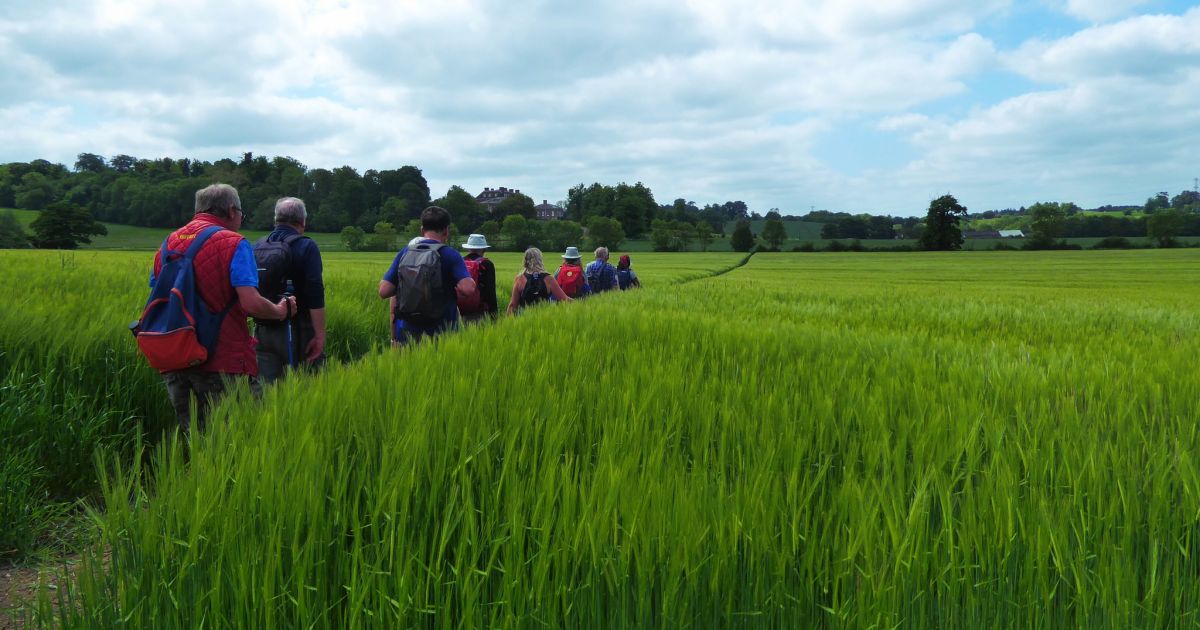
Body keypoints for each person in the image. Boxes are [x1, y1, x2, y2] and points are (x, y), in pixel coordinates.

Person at [151, 183, 295, 433]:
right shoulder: (233, 243)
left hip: (175, 356)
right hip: (222, 361)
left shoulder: (167, 244)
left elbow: (160, 294)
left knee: (196, 438)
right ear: (231, 210)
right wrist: (280, 310)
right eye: (241, 214)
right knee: (241, 436)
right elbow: (250, 303)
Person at [253, 197, 326, 384]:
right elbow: (315, 294)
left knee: (265, 391)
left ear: (275, 220)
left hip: (262, 329)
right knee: (308, 387)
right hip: (298, 330)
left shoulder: (258, 246)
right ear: (302, 221)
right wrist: (319, 336)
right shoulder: (306, 246)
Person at [379, 206, 475, 344]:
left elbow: (384, 291)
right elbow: (468, 289)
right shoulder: (450, 254)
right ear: (446, 231)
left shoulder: (405, 252)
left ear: (422, 230)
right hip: (442, 334)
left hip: (408, 333)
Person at [508, 247, 572, 314]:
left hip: (523, 317)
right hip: (545, 317)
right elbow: (564, 299)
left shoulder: (519, 279)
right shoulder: (549, 279)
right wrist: (578, 303)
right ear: (540, 260)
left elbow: (512, 305)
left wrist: (508, 319)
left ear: (525, 261)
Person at [459, 233, 498, 323]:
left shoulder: (460, 262)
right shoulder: (487, 264)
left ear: (468, 248)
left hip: (459, 312)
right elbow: (490, 292)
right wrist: (494, 316)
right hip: (480, 313)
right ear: (484, 249)